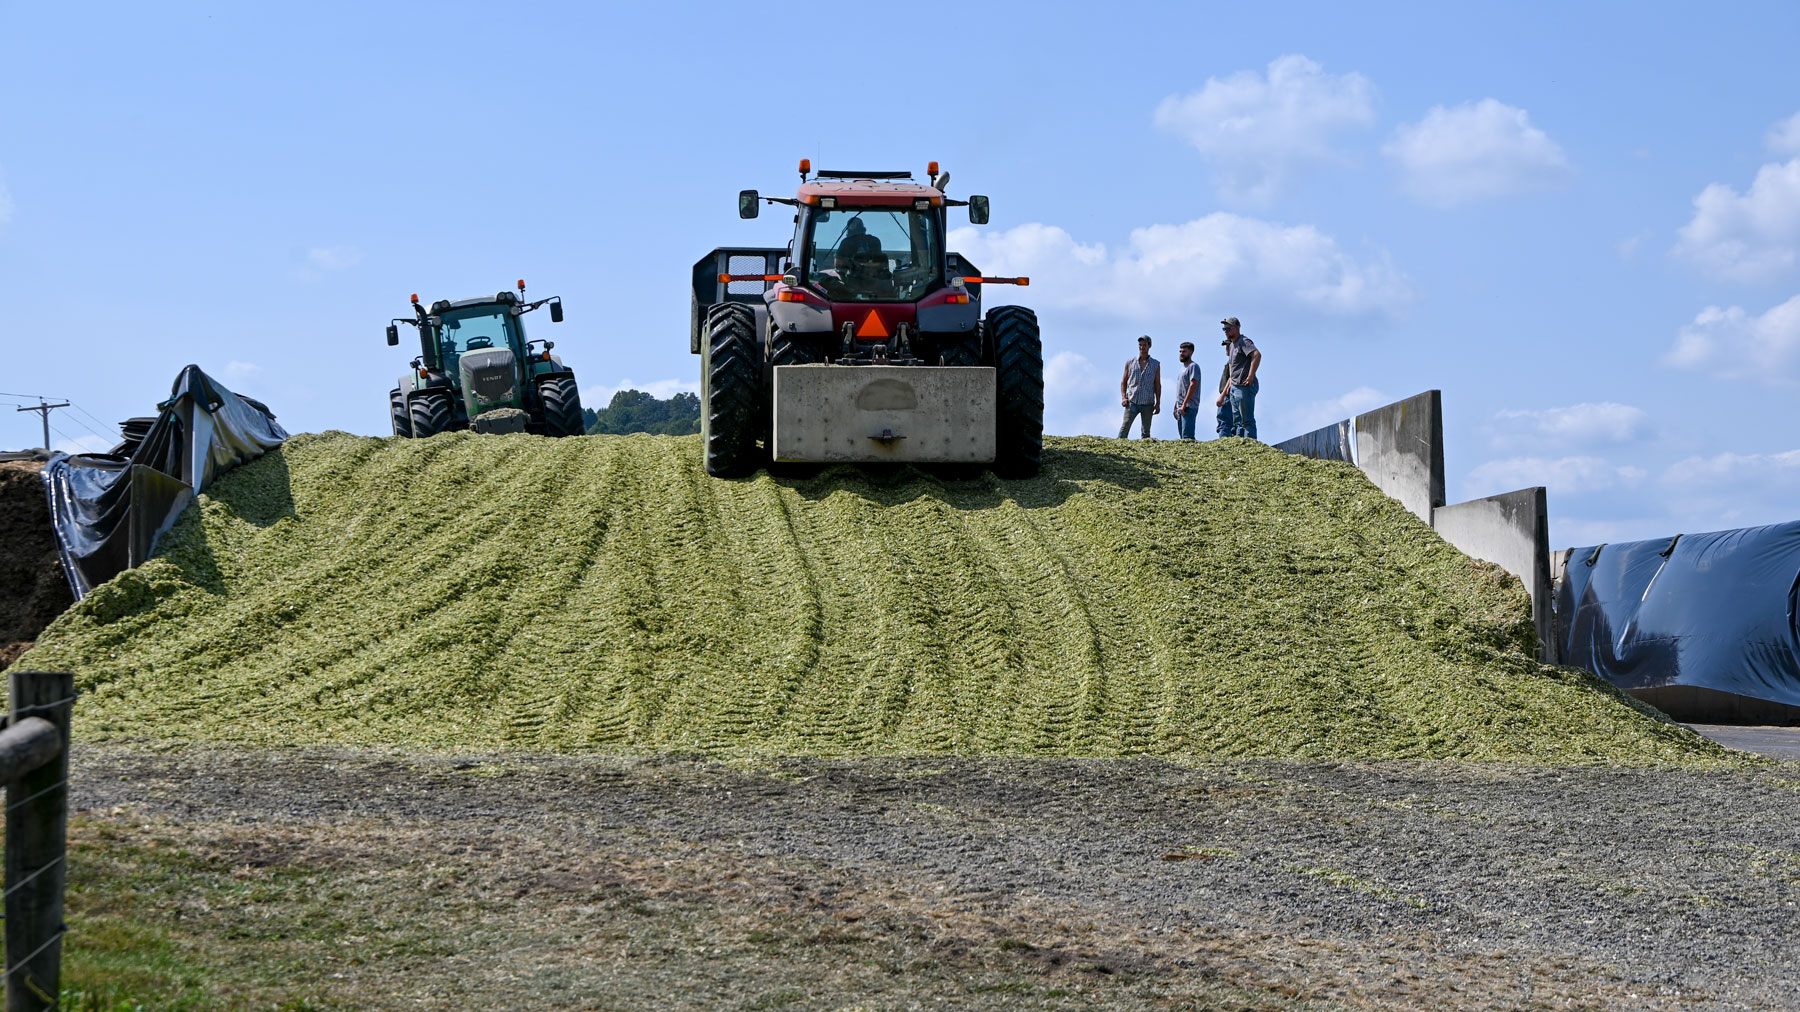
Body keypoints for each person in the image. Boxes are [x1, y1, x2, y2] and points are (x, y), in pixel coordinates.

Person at [1219, 316, 1261, 440]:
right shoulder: (1232, 345)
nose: (1225, 330)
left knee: (1247, 421)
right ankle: (1240, 445)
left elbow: (1257, 355)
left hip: (1244, 386)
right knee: (1237, 421)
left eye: (1228, 328)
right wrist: (1228, 387)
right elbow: (1232, 368)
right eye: (1224, 329)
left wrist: (1251, 375)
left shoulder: (1244, 341)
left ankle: (1250, 445)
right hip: (1234, 386)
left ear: (1237, 328)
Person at [1118, 335, 1160, 439]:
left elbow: (1157, 385)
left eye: (1144, 345)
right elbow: (1124, 381)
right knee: (1124, 428)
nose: (1142, 347)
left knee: (1146, 432)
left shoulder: (1155, 364)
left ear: (1149, 346)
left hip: (1148, 402)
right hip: (1132, 401)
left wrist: (1158, 402)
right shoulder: (1130, 362)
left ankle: (1145, 453)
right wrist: (1124, 397)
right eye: (1140, 345)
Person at [1171, 341, 1201, 440]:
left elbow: (1193, 385)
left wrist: (1185, 404)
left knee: (1187, 438)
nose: (1181, 354)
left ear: (1191, 352)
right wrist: (1177, 406)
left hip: (1189, 407)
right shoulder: (1182, 369)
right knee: (1182, 438)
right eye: (1180, 351)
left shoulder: (1193, 366)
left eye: (1184, 351)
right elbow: (1181, 388)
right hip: (1181, 407)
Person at [1213, 335, 1236, 438]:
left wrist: (1222, 395)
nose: (1226, 349)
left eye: (1228, 346)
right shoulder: (1230, 362)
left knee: (1224, 424)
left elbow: (1231, 378)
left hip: (1227, 396)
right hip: (1228, 396)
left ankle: (1224, 443)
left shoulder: (1232, 362)